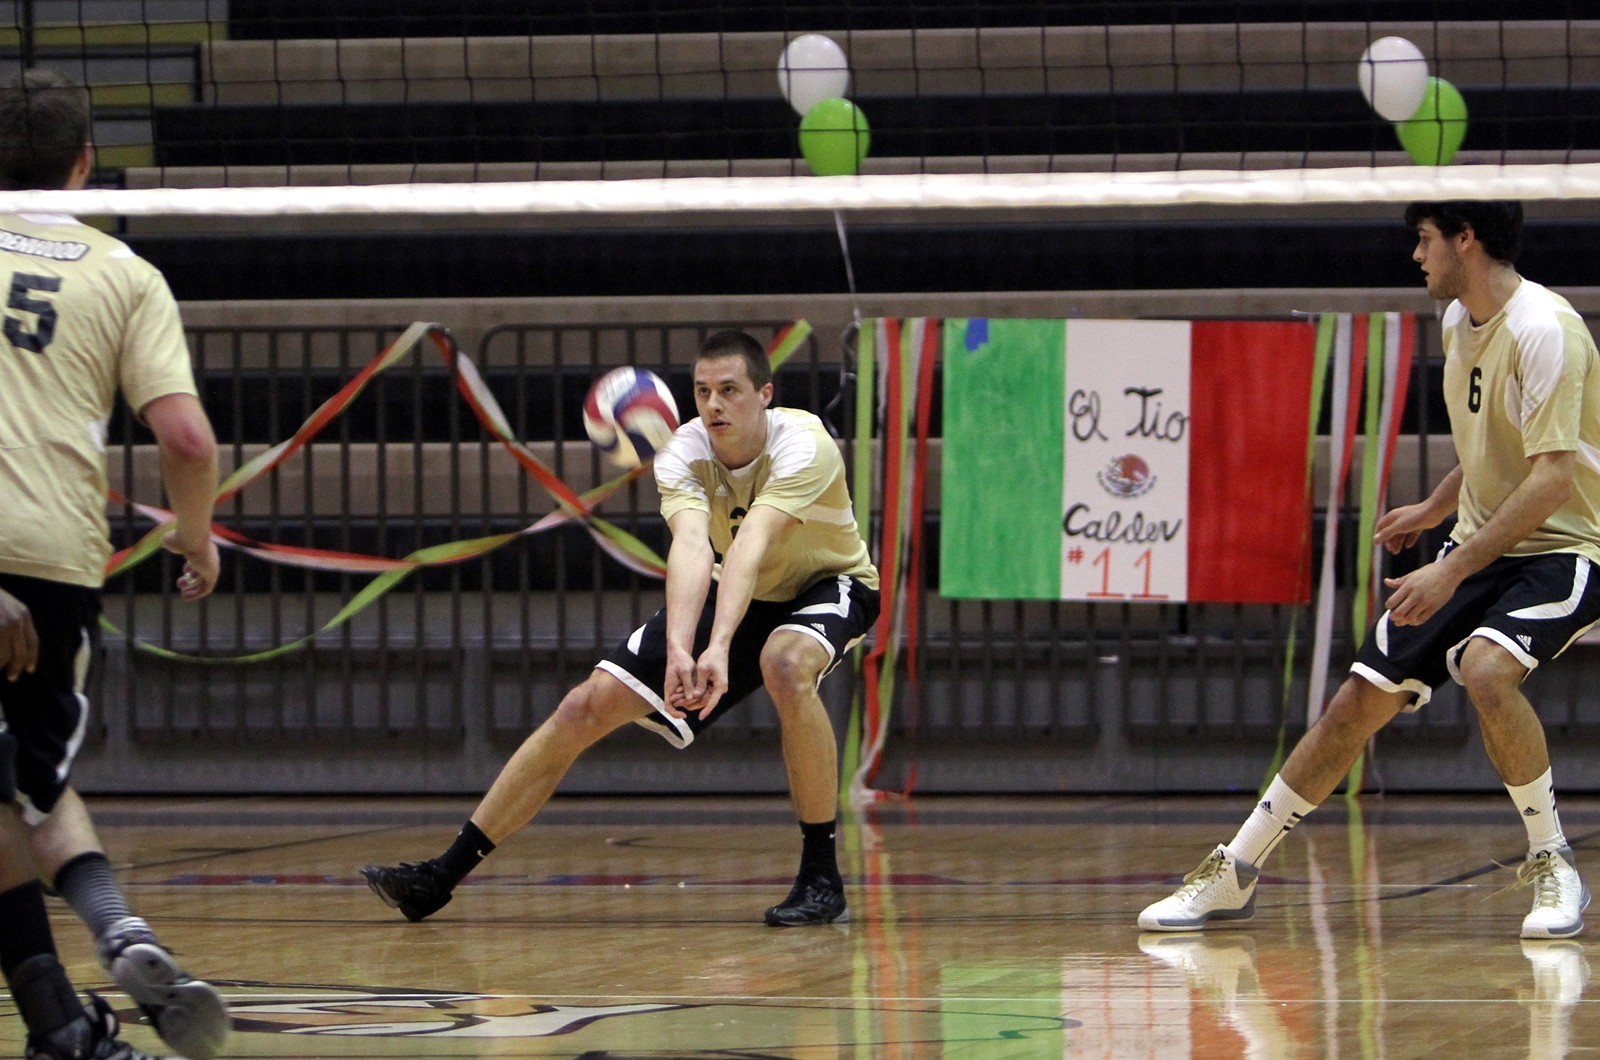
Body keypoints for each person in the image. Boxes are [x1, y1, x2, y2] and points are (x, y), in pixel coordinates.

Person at [1139, 200, 1600, 940]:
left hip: (1567, 547)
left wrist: (1448, 571)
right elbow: (1496, 447)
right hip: (1484, 542)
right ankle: (1236, 870)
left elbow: (1550, 477)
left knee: (1485, 670)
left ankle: (1552, 861)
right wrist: (1435, 506)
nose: (1417, 257)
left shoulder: (1546, 330)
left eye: (1424, 240)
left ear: (1466, 239)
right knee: (1358, 700)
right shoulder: (1460, 323)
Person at [362, 329, 880, 927]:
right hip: (737, 584)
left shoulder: (806, 443)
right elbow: (691, 548)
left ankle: (821, 875)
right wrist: (680, 650)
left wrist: (716, 648)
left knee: (785, 666)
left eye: (730, 391)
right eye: (703, 390)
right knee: (582, 707)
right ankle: (439, 876)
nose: (713, 405)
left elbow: (752, 542)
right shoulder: (683, 450)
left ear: (765, 393)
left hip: (829, 581)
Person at [0, 70, 231, 1059]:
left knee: (16, 797)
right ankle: (108, 949)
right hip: (54, 558)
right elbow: (185, 437)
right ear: (85, 162)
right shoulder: (127, 275)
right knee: (29, 791)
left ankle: (59, 1020)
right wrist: (195, 535)